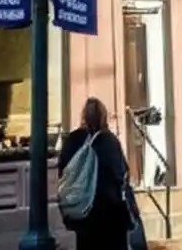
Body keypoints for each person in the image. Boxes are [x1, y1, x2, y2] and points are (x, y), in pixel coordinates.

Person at [58, 98, 131, 250]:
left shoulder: (72, 140)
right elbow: (121, 173)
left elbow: (63, 171)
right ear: (104, 116)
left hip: (82, 210)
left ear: (83, 116)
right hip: (109, 212)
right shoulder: (109, 141)